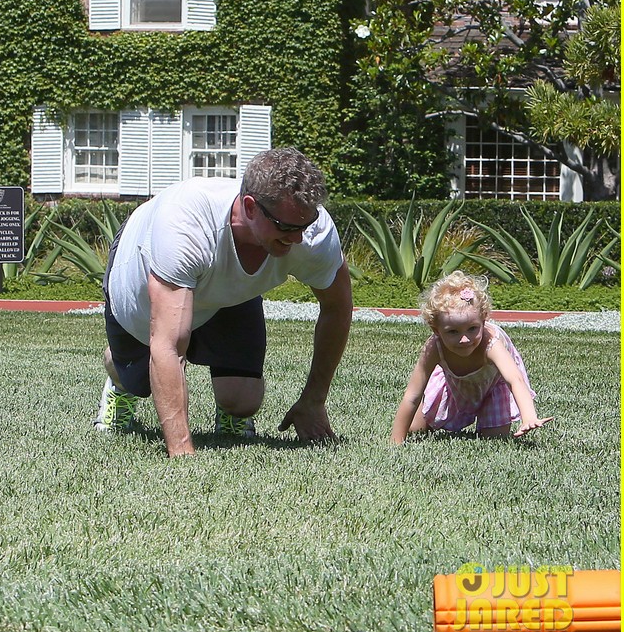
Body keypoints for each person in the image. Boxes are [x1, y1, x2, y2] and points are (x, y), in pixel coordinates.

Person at [94, 147, 353, 458]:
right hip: (137, 276)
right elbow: (168, 345)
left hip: (227, 288)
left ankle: (229, 408)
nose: (298, 239)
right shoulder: (186, 224)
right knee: (139, 379)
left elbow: (337, 307)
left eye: (305, 226)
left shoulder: (308, 228)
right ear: (250, 207)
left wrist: (314, 399)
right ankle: (119, 379)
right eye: (286, 228)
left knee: (242, 401)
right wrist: (182, 453)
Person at [390, 271, 552, 444]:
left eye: (472, 329)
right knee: (415, 429)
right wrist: (395, 441)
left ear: (483, 320)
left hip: (493, 387)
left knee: (494, 439)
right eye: (453, 332)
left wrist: (528, 416)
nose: (464, 339)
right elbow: (412, 396)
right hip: (454, 385)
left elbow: (515, 379)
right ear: (436, 330)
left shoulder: (491, 343)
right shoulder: (434, 347)